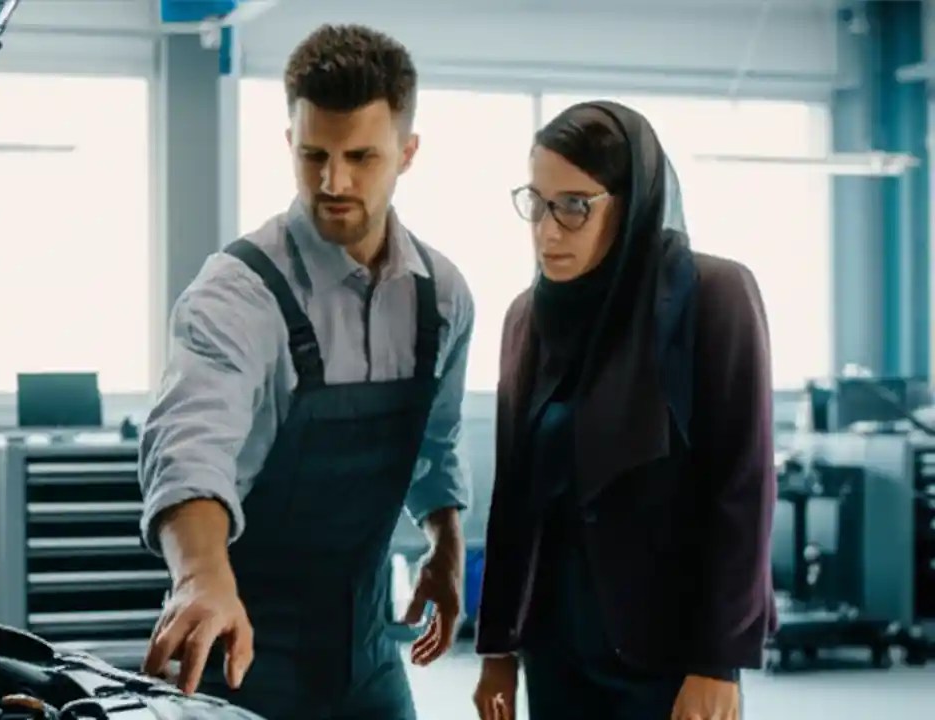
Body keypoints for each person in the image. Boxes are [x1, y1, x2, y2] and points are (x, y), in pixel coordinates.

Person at [136, 23, 476, 720]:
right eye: (313, 154)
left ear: (407, 153)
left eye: (361, 157)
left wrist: (445, 546)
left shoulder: (440, 296)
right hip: (243, 644)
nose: (334, 182)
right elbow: (189, 444)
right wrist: (201, 577)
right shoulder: (237, 292)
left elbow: (436, 444)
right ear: (288, 141)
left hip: (370, 650)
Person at [471, 101, 776, 720]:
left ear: (632, 202)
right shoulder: (528, 320)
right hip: (556, 652)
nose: (547, 231)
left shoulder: (712, 298)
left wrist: (717, 663)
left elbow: (742, 492)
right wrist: (498, 650)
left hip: (668, 658)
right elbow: (515, 502)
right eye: (537, 202)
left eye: (575, 206)